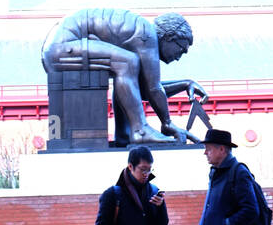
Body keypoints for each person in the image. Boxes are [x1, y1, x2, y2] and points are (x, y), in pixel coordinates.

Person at [42, 8, 207, 143]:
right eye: (181, 49)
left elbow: (138, 90)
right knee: (127, 63)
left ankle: (125, 133)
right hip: (62, 47)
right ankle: (140, 131)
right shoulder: (146, 35)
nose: (179, 56)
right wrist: (167, 123)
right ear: (170, 37)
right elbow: (152, 89)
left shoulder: (142, 32)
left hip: (60, 47)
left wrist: (185, 84)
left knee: (125, 69)